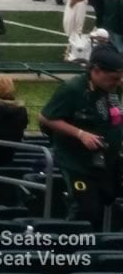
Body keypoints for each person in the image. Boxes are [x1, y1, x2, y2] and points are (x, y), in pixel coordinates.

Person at [38, 46, 123, 227]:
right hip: (77, 162)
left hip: (106, 159)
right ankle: (73, 247)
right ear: (96, 71)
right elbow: (46, 117)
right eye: (114, 79)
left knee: (106, 202)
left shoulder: (112, 88)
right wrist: (80, 134)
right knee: (86, 210)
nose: (118, 82)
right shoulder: (73, 89)